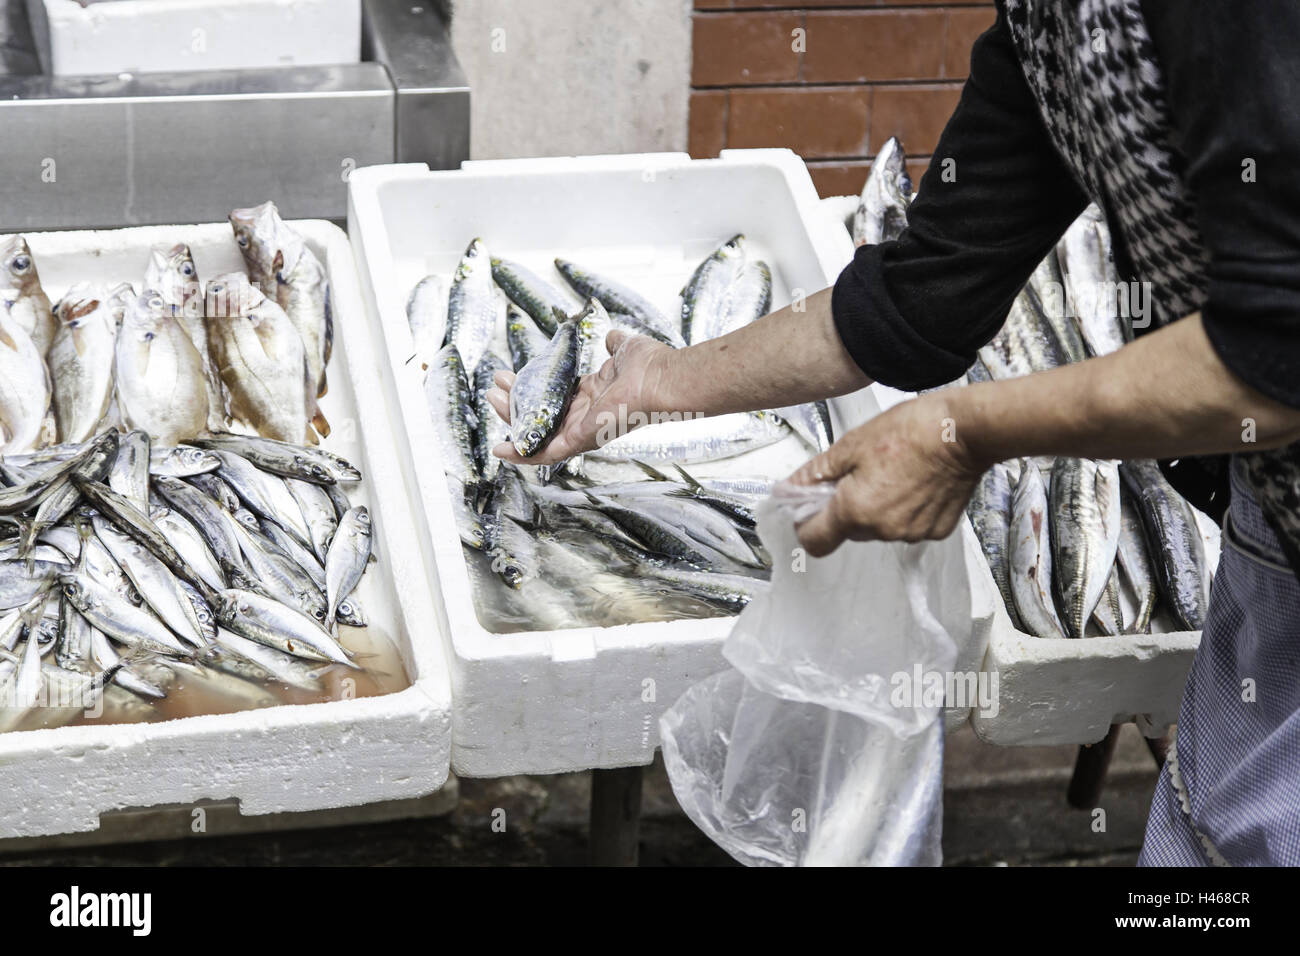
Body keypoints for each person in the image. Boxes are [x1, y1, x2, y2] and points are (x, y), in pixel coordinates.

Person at [489, 0, 1300, 866]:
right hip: (1271, 526)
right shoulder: (1048, 22)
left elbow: (1275, 347)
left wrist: (962, 434)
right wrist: (664, 381)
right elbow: (926, 296)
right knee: (1205, 851)